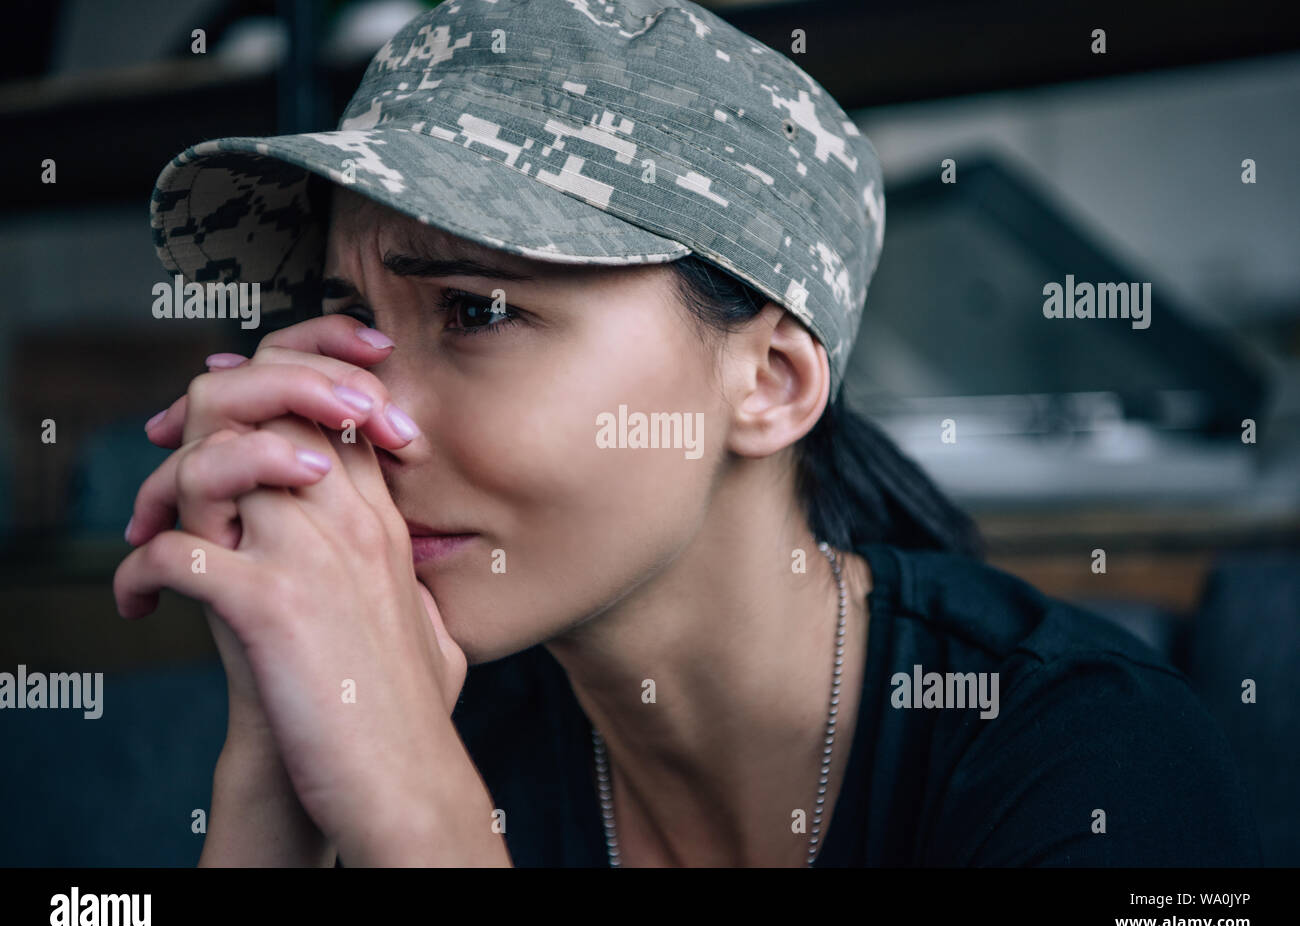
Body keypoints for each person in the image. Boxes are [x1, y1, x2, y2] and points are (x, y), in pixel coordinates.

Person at [116, 0, 1261, 866]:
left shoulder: (1083, 758)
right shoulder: (421, 696)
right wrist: (272, 769)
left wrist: (428, 827)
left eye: (477, 311)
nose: (367, 417)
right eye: (350, 319)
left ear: (767, 380)